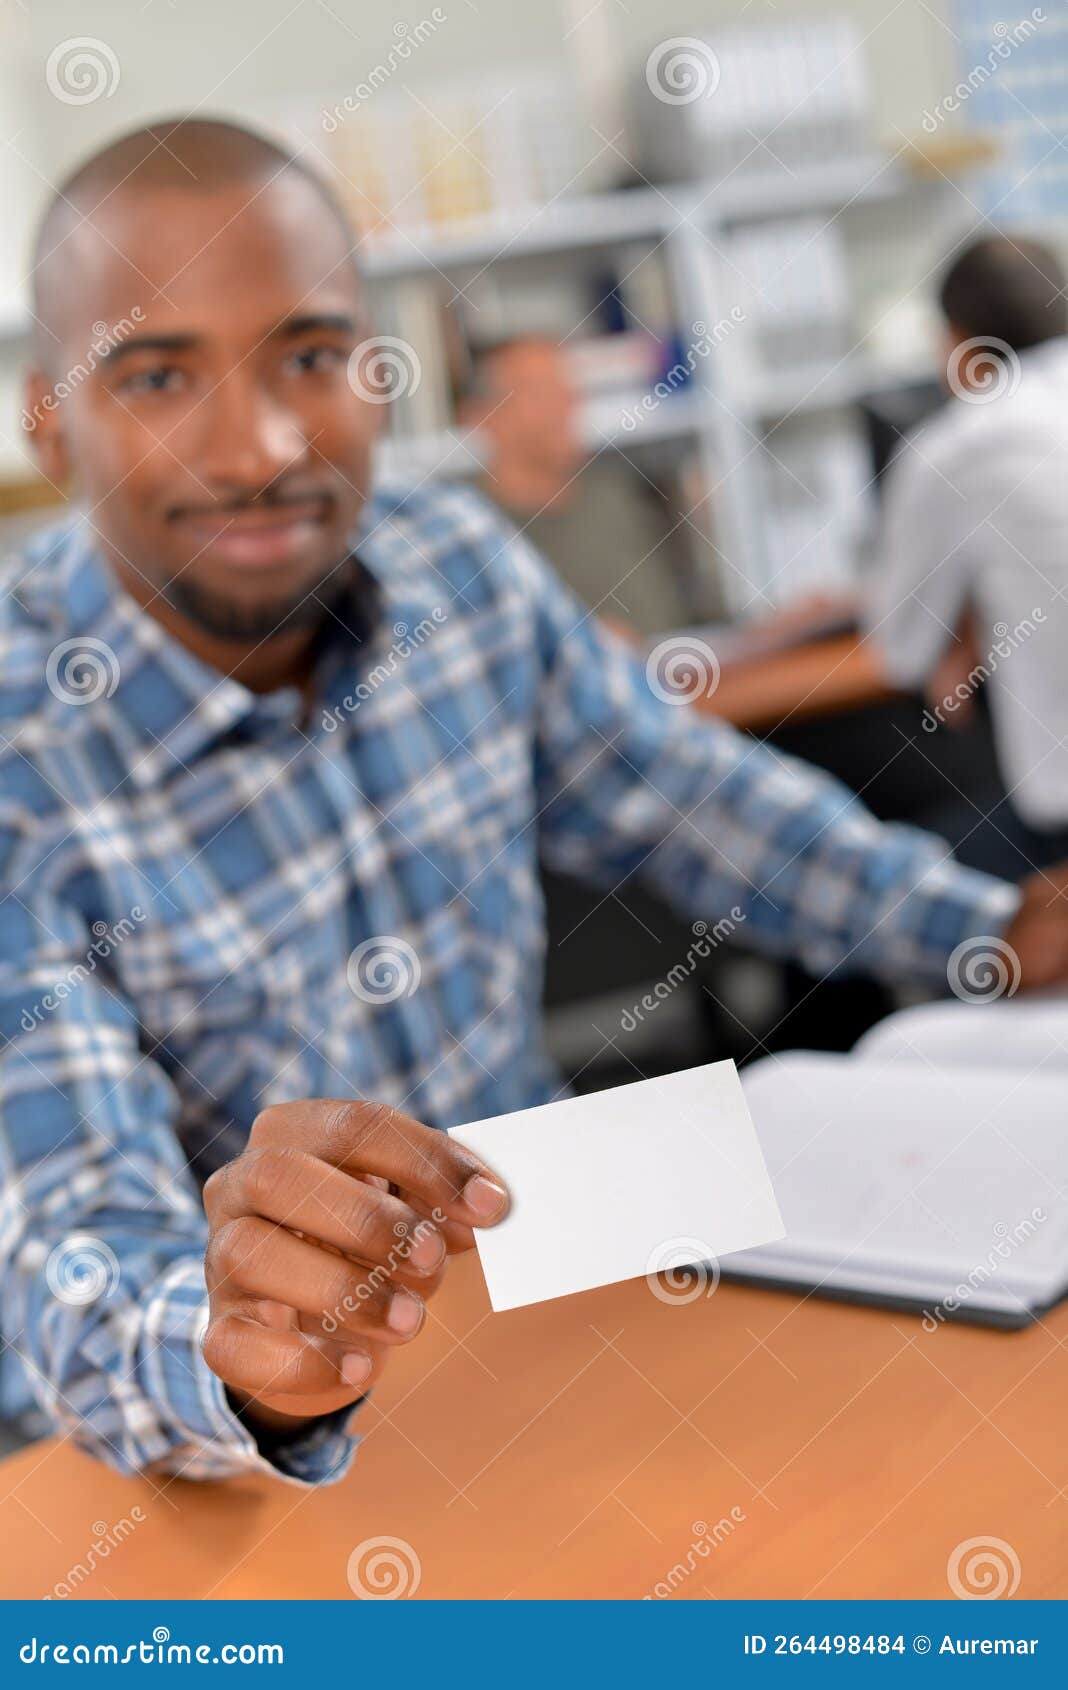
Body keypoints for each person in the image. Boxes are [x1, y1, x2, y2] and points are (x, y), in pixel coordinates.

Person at [4, 119, 1068, 1492]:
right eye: (156, 373)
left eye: (313, 357)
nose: (261, 444)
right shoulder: (29, 757)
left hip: (553, 1284)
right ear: (47, 412)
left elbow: (697, 804)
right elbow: (71, 1246)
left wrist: (988, 925)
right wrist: (233, 1346)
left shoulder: (452, 568)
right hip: (221, 1460)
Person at [864, 234, 1068, 877]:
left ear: (956, 341)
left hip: (1058, 832)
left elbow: (900, 652)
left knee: (861, 884)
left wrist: (970, 620)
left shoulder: (957, 446)